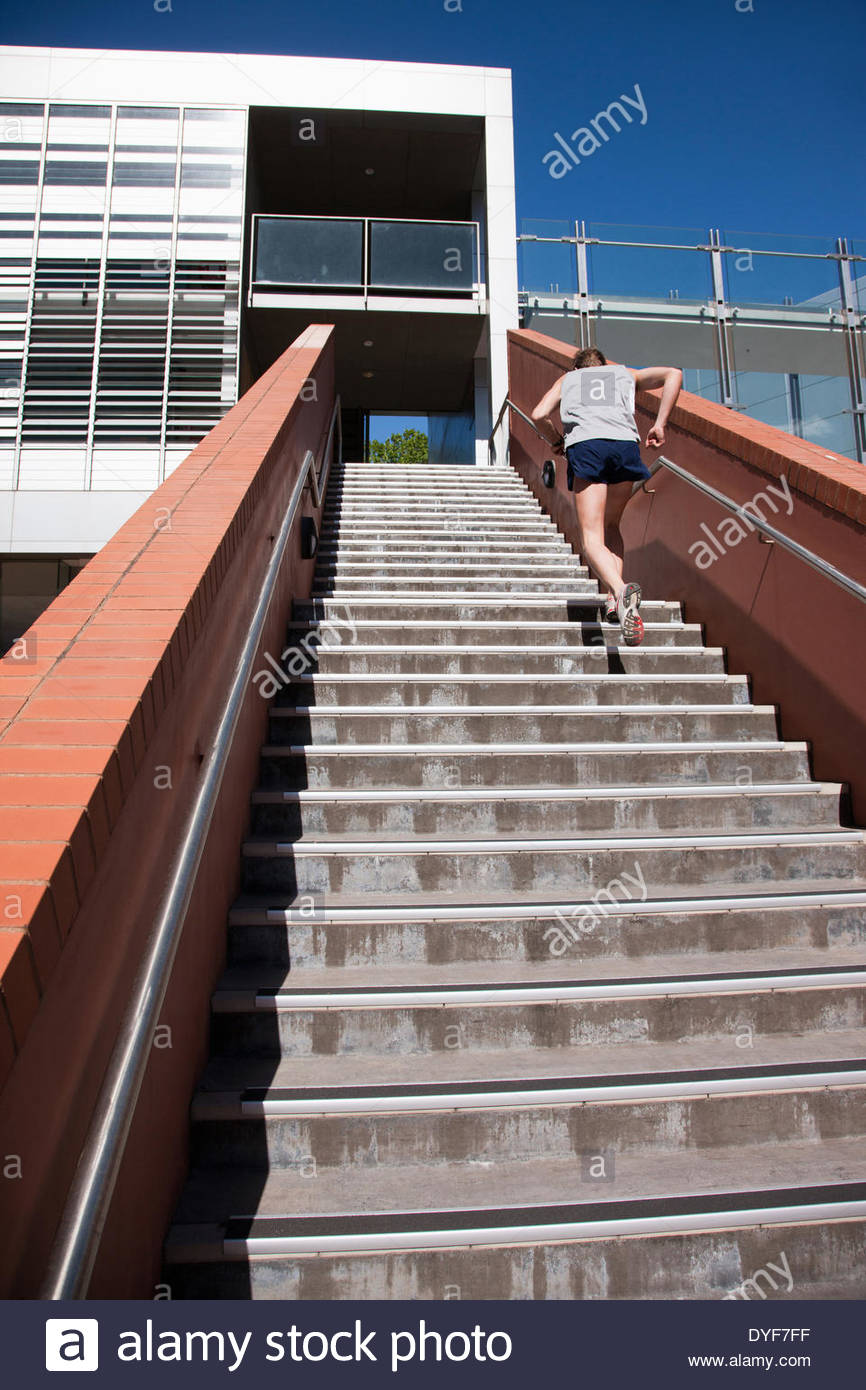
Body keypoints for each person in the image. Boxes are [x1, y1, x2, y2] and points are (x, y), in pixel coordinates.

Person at [531, 348, 682, 646]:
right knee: (612, 524)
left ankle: (621, 589)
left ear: (577, 368)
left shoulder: (568, 380)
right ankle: (614, 600)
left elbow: (538, 414)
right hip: (625, 445)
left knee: (591, 537)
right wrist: (660, 423)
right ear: (603, 365)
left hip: (587, 446)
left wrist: (555, 441)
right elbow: (673, 374)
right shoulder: (624, 374)